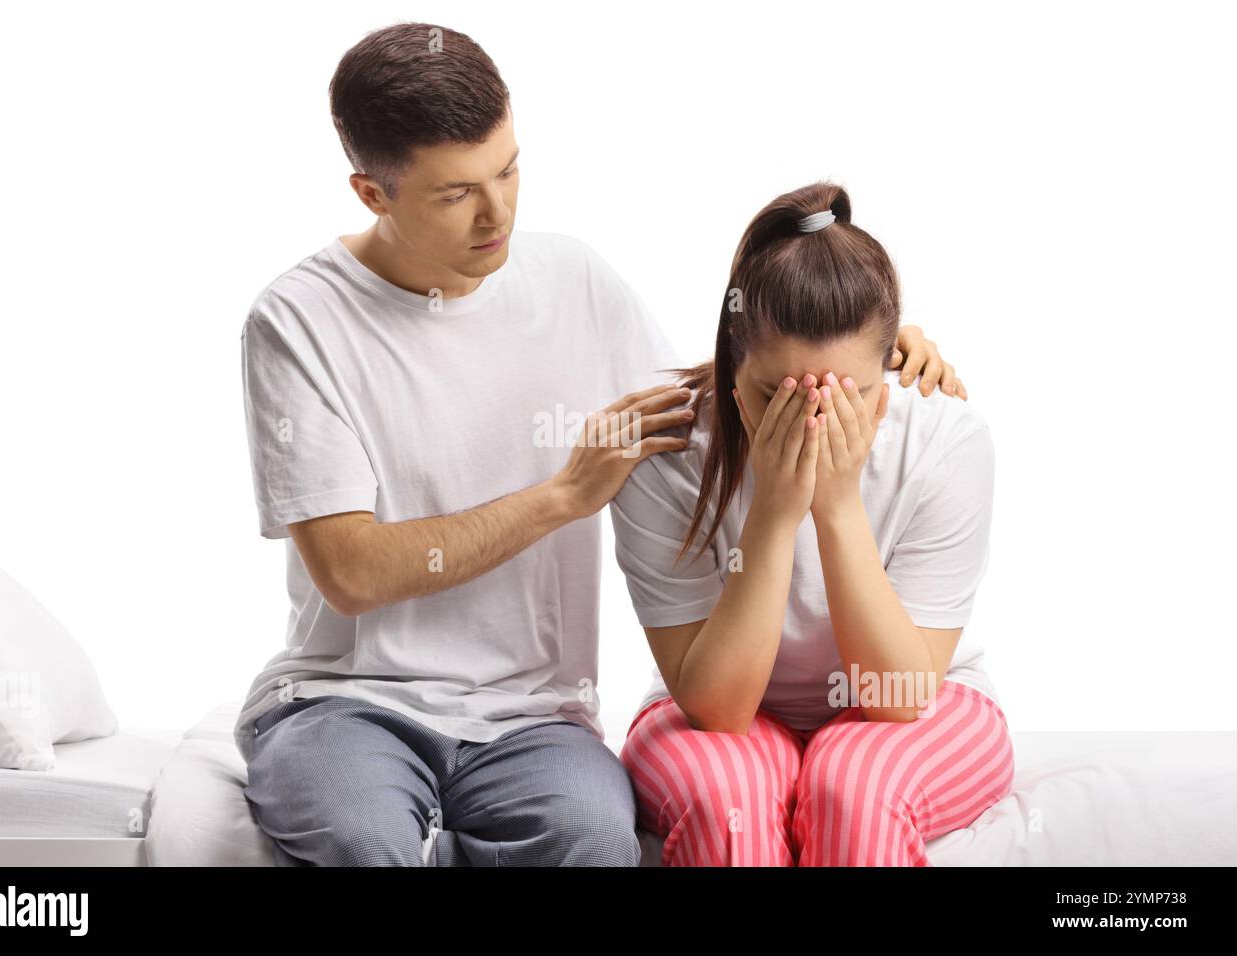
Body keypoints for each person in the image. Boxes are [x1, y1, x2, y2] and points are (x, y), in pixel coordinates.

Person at [236, 23, 965, 866]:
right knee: (360, 835)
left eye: (508, 170)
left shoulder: (572, 279)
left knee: (590, 836)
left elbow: (728, 383)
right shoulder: (295, 322)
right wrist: (562, 497)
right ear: (372, 193)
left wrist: (865, 350)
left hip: (534, 720)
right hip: (346, 703)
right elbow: (352, 571)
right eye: (454, 193)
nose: (498, 212)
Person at [609, 182, 1012, 866]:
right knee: (723, 798)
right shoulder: (668, 454)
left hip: (924, 698)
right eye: (779, 394)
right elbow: (719, 710)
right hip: (716, 701)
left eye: (843, 395)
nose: (813, 421)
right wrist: (773, 513)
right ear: (735, 373)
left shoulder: (945, 440)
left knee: (852, 785)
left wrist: (837, 505)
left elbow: (901, 696)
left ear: (884, 386)